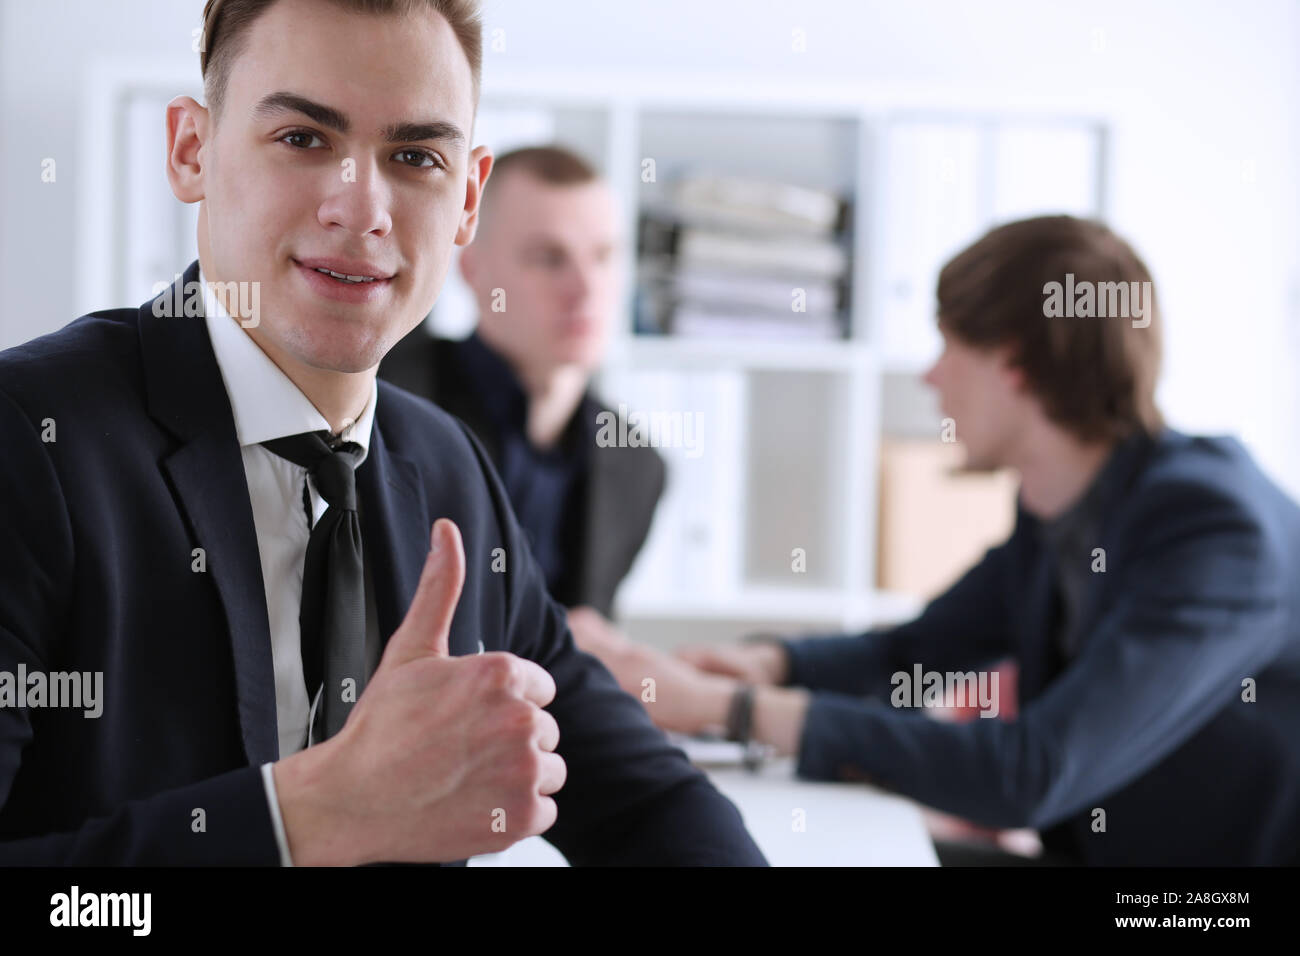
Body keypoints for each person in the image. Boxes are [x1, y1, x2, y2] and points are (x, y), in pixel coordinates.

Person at [0, 0, 764, 867]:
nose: (361, 209)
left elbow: (647, 801)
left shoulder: (447, 467)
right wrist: (307, 817)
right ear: (191, 151)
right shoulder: (30, 440)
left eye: (414, 157)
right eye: (302, 139)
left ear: (467, 198)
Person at [573, 215, 1300, 866]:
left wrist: (726, 708)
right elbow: (911, 655)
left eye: (949, 345)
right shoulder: (1064, 507)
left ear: (1014, 365)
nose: (931, 377)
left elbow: (1031, 772)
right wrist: (762, 665)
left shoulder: (1215, 533)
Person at [379, 145, 664, 620]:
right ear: (472, 271)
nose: (586, 289)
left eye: (604, 256)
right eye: (549, 258)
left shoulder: (638, 467)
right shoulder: (383, 399)